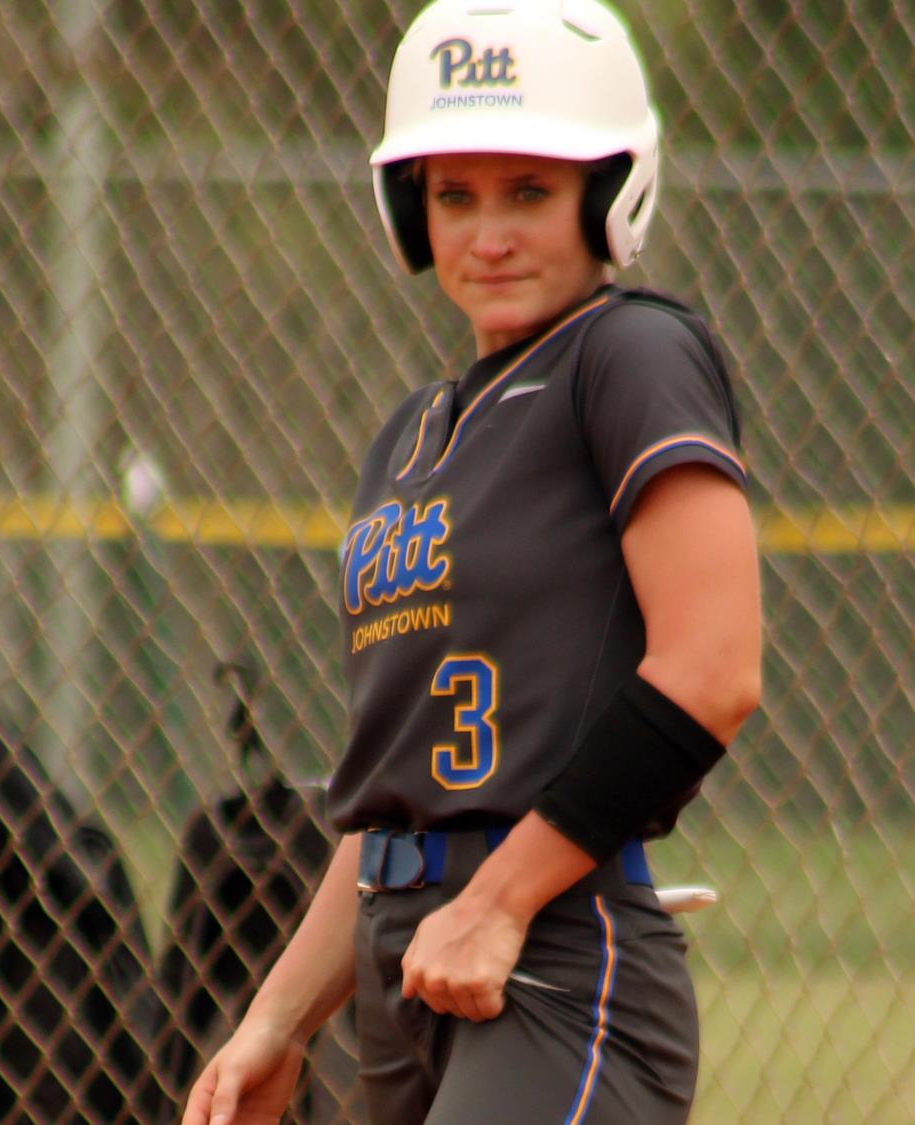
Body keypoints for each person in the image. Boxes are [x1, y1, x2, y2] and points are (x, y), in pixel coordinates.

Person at [182, 0, 761, 1121]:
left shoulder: (629, 353)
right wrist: (275, 1020)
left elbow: (713, 668)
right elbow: (393, 811)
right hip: (406, 972)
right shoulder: (408, 438)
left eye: (529, 192)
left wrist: (497, 903)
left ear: (608, 192)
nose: (486, 233)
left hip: (553, 959)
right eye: (454, 195)